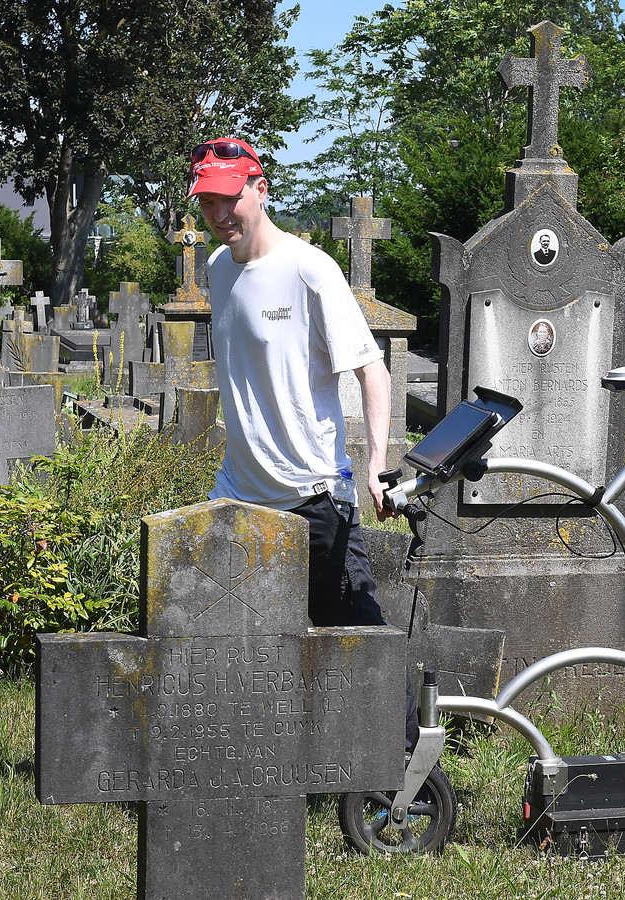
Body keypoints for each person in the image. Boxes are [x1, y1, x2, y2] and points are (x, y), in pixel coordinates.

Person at [189, 137, 417, 748]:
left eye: (227, 200)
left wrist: (376, 465)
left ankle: (406, 767)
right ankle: (241, 758)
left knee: (358, 635)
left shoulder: (310, 270)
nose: (216, 217)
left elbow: (372, 368)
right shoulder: (217, 270)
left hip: (312, 496)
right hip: (237, 494)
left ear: (260, 190)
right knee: (216, 633)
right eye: (206, 203)